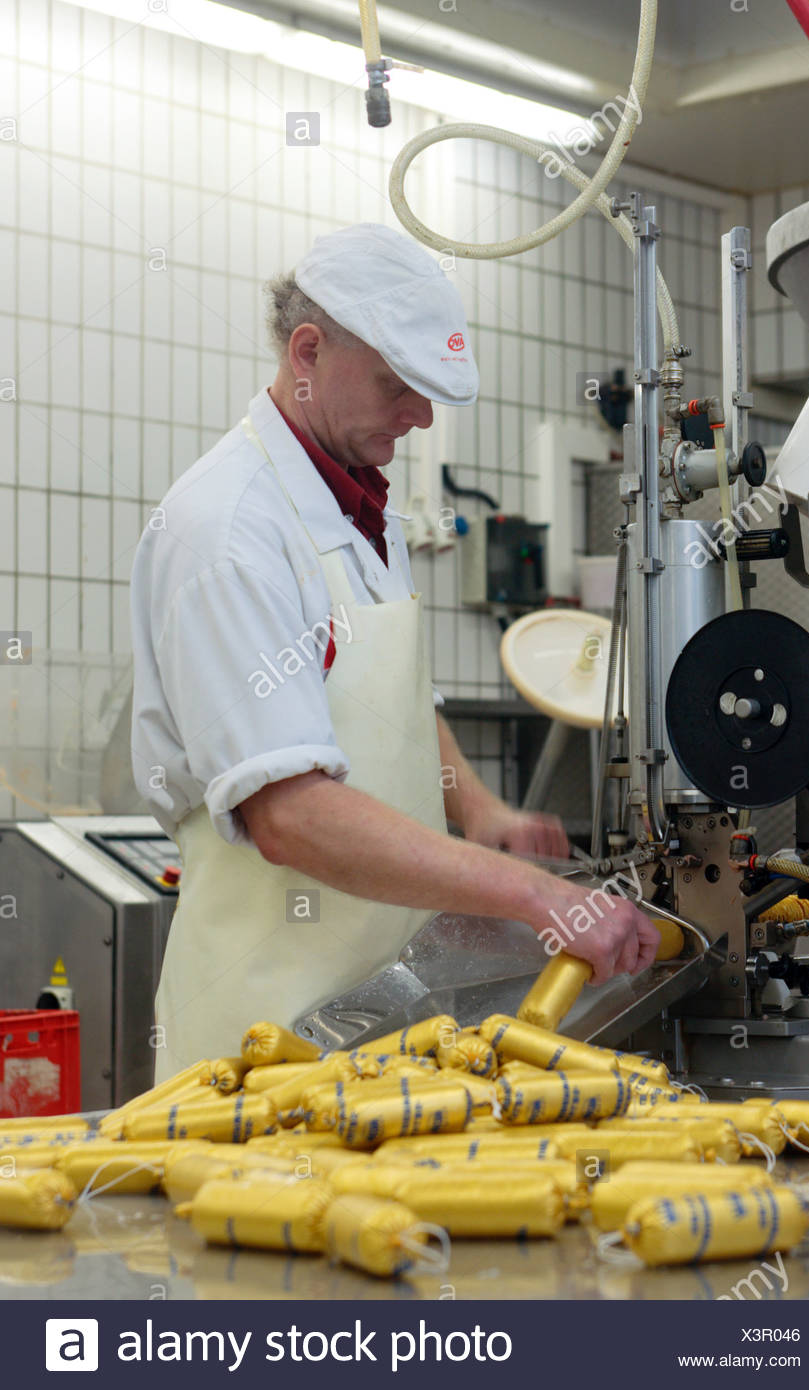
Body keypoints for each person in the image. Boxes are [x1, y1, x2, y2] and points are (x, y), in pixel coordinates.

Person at [130, 223, 658, 1080]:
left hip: (380, 1014)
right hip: (261, 1041)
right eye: (395, 386)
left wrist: (476, 808)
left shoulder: (362, 512)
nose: (417, 417)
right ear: (307, 351)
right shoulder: (230, 531)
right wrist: (536, 895)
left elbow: (386, 706)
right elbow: (289, 813)